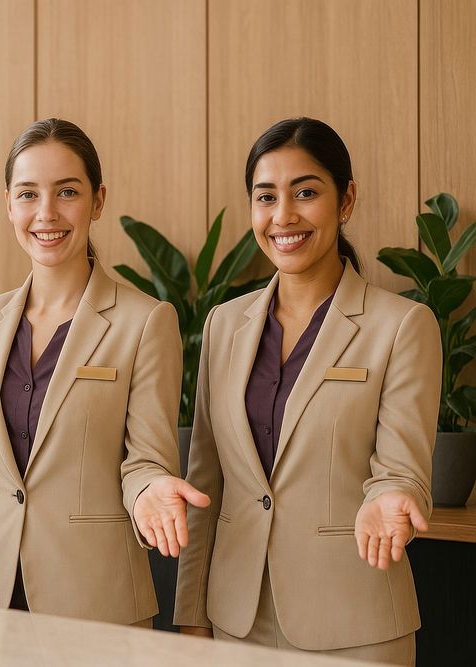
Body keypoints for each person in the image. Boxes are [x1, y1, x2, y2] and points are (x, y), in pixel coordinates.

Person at [174, 117, 440, 664]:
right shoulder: (224, 325)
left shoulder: (402, 326)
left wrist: (393, 498)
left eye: (306, 193)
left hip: (355, 619)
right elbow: (206, 479)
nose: (283, 216)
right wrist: (191, 617)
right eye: (265, 197)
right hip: (234, 620)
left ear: (346, 202)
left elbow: (402, 470)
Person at [0, 118, 209, 625]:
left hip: (95, 600)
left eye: (67, 192)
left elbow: (146, 459)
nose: (46, 213)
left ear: (98, 201)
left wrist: (150, 489)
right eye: (28, 194)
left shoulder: (146, 321)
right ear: (8, 204)